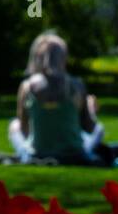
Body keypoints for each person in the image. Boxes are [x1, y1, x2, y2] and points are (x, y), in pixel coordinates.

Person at [8, 33, 105, 165]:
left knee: (14, 125)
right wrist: (91, 109)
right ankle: (85, 154)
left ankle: (26, 156)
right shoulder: (76, 85)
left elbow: (24, 130)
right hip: (73, 154)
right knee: (99, 129)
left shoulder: (27, 87)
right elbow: (89, 127)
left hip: (38, 153)